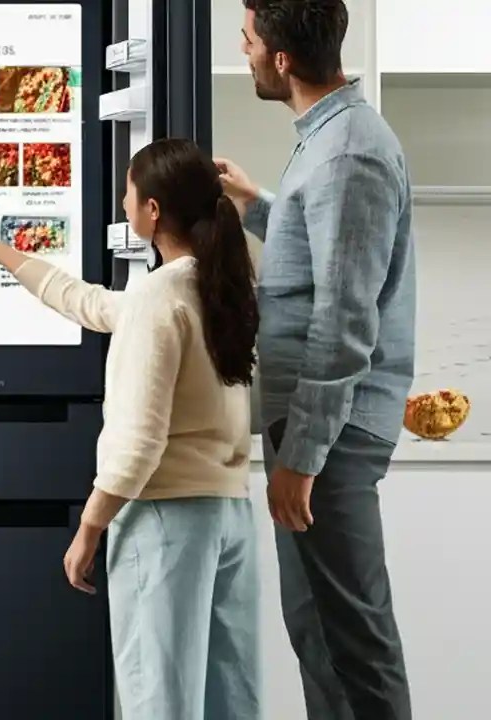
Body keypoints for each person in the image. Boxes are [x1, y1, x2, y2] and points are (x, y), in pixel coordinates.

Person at [0, 137, 261, 719]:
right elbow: (87, 302)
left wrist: (89, 528)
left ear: (152, 211)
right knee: (229, 700)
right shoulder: (217, 287)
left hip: (165, 518)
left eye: (128, 195)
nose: (123, 204)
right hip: (229, 515)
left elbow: (139, 443)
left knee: (159, 702)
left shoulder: (160, 298)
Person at [215, 1, 415, 718]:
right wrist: (256, 204)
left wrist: (301, 458)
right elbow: (324, 252)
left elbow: (344, 319)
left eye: (247, 41)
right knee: (320, 636)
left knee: (354, 641)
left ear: (283, 59)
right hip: (313, 429)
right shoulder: (329, 141)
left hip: (330, 433)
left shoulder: (349, 151)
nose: (243, 52)